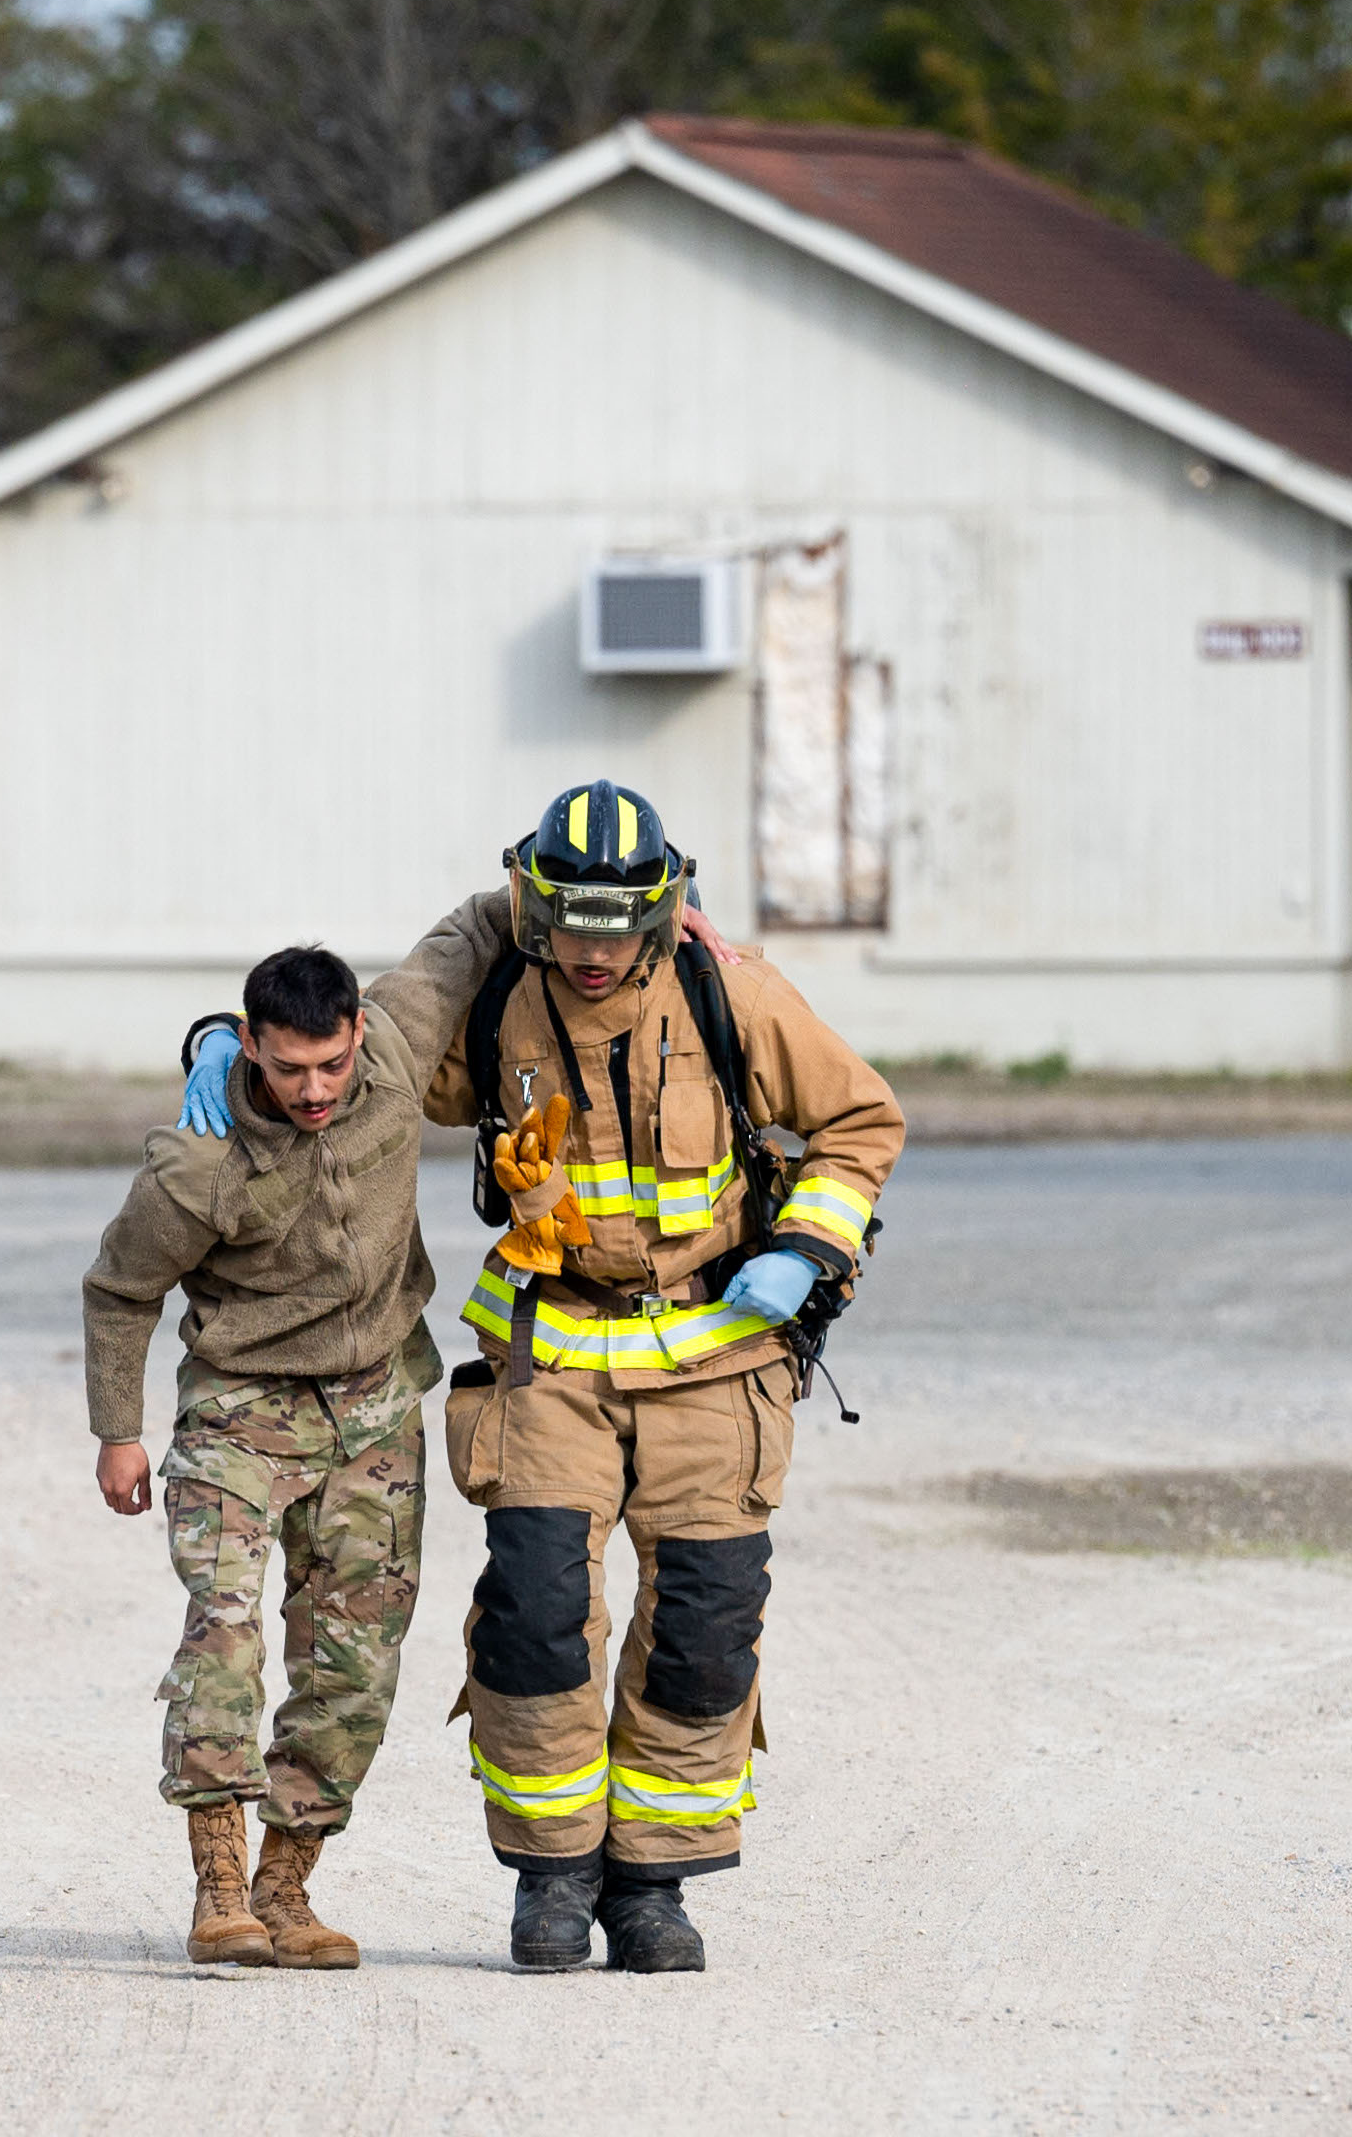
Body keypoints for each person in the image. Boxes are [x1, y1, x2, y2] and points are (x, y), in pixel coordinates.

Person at [182, 779, 902, 1973]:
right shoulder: (499, 994)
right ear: (532, 905)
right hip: (552, 1352)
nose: (595, 949)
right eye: (570, 918)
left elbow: (860, 1120)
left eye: (621, 921)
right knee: (534, 1620)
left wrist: (806, 1247)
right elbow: (356, 1055)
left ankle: (652, 1888)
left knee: (705, 1631)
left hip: (718, 1357)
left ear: (662, 907)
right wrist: (225, 1045)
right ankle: (553, 1878)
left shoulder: (732, 993)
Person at [82, 892, 515, 1971]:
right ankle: (219, 1884)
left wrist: (665, 908)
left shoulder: (399, 1042)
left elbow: (478, 922)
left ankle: (286, 1884)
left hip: (373, 1401)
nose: (314, 1090)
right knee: (223, 1629)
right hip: (242, 1405)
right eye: (288, 1069)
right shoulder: (198, 1162)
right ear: (251, 1046)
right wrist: (118, 1431)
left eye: (329, 1064)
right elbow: (119, 1288)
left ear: (356, 1032)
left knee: (355, 1661)